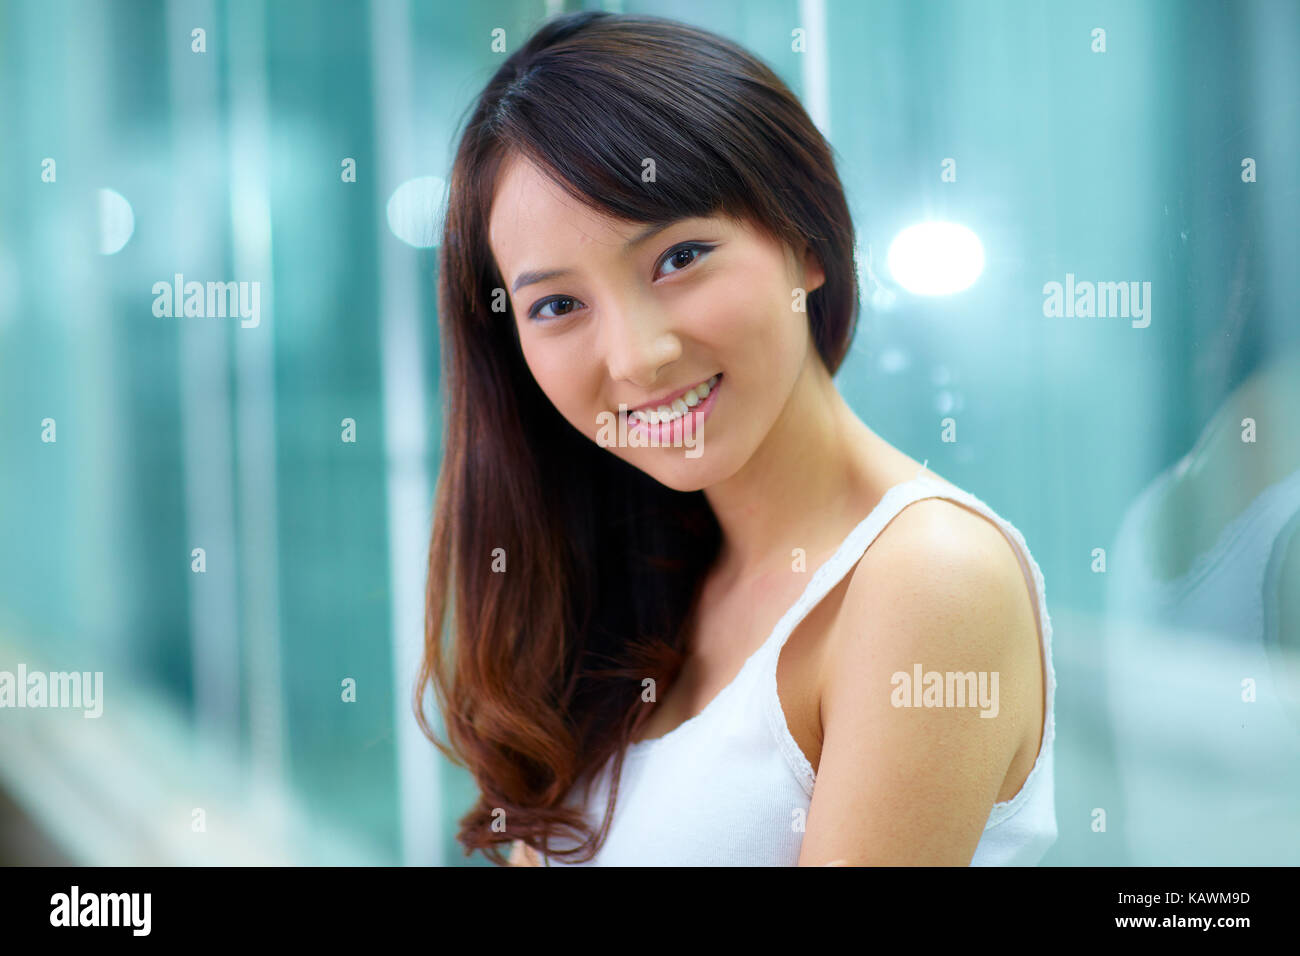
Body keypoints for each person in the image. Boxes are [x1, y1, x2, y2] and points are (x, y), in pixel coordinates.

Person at [418, 10, 1056, 866]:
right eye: (558, 306)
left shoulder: (927, 579)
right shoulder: (635, 572)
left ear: (805, 241)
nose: (639, 357)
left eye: (679, 257)